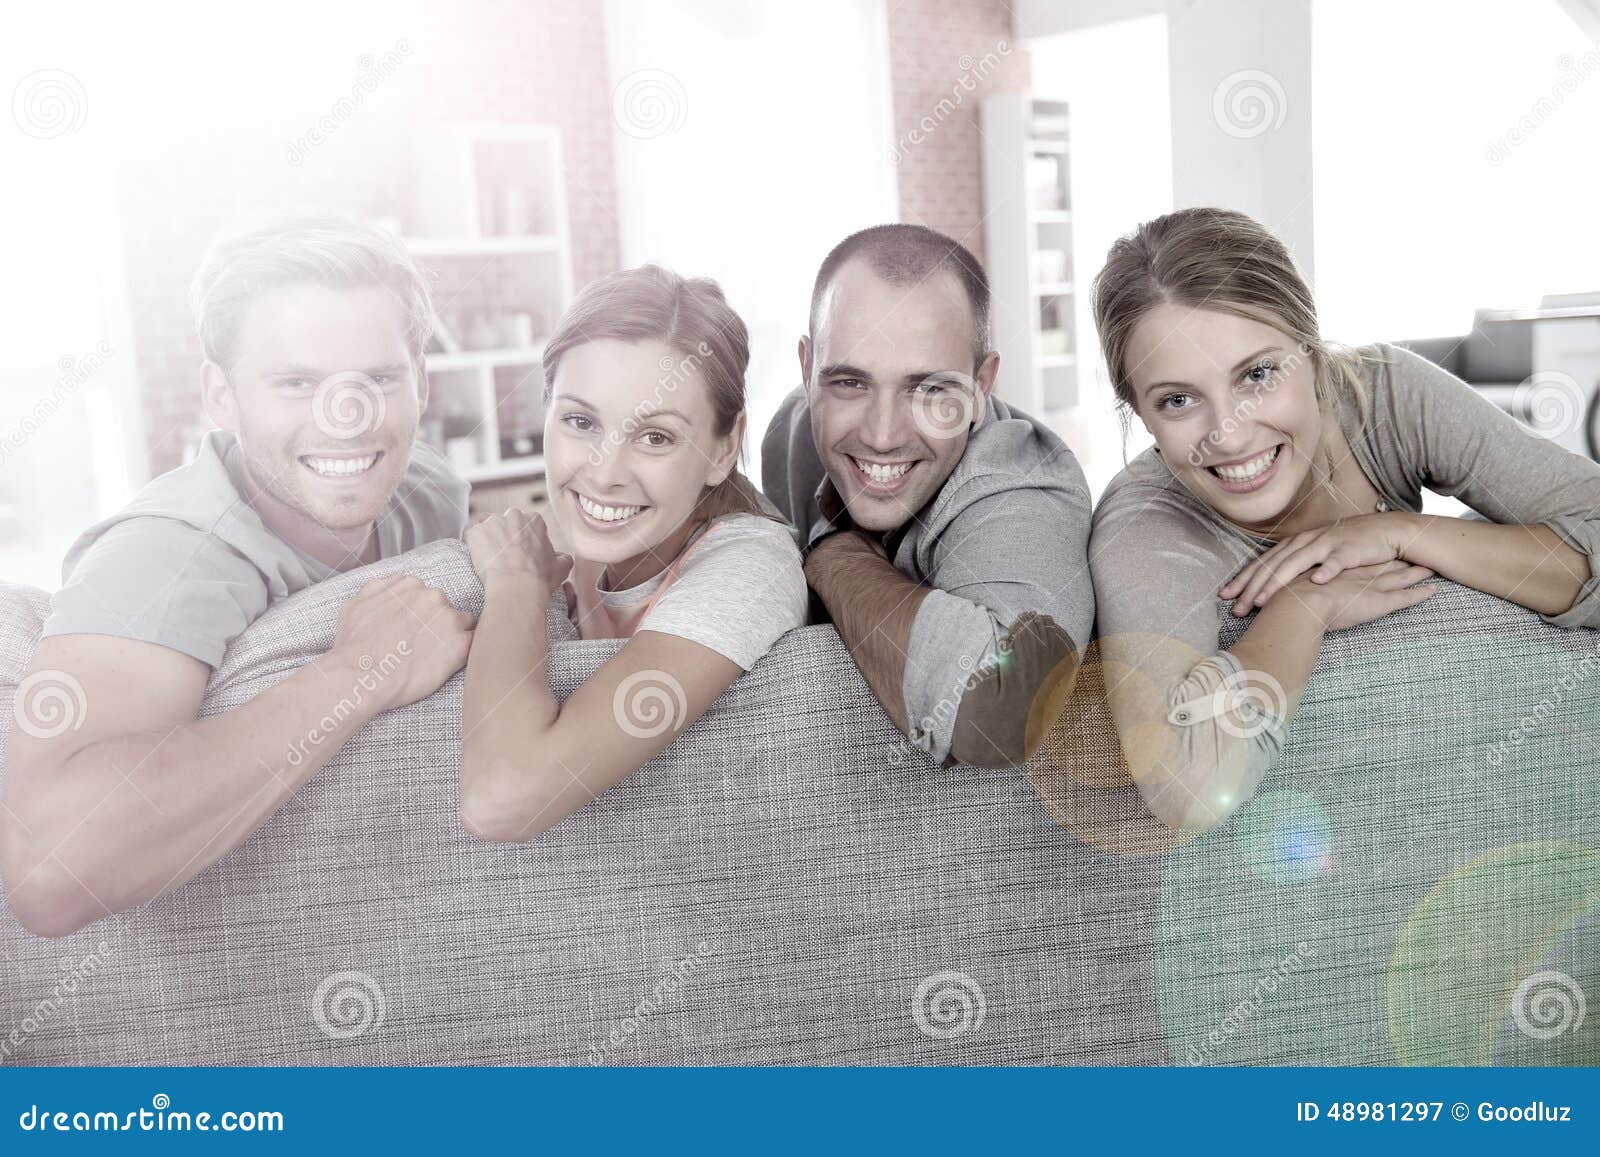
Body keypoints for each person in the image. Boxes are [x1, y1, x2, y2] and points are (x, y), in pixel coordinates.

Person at [1, 215, 473, 937]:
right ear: (221, 396)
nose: (346, 416)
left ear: (422, 383)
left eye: (378, 377)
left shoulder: (429, 491)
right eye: (295, 381)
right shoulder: (165, 556)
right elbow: (48, 873)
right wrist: (360, 670)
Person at [1088, 206, 1600, 834]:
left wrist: (1403, 531)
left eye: (1256, 374)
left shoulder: (1381, 393)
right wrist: (1306, 605)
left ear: (1314, 356)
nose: (1229, 432)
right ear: (1141, 414)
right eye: (1178, 399)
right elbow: (1188, 791)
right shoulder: (1145, 528)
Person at [457, 265, 806, 842]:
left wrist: (516, 583)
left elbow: (500, 799)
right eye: (580, 421)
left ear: (725, 447)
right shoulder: (594, 540)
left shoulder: (749, 569)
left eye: (656, 436)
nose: (605, 473)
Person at [762, 224, 1094, 768]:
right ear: (806, 368)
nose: (883, 434)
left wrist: (831, 554)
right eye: (849, 383)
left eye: (930, 389)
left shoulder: (1023, 485)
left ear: (981, 385)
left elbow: (1002, 714)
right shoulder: (794, 433)